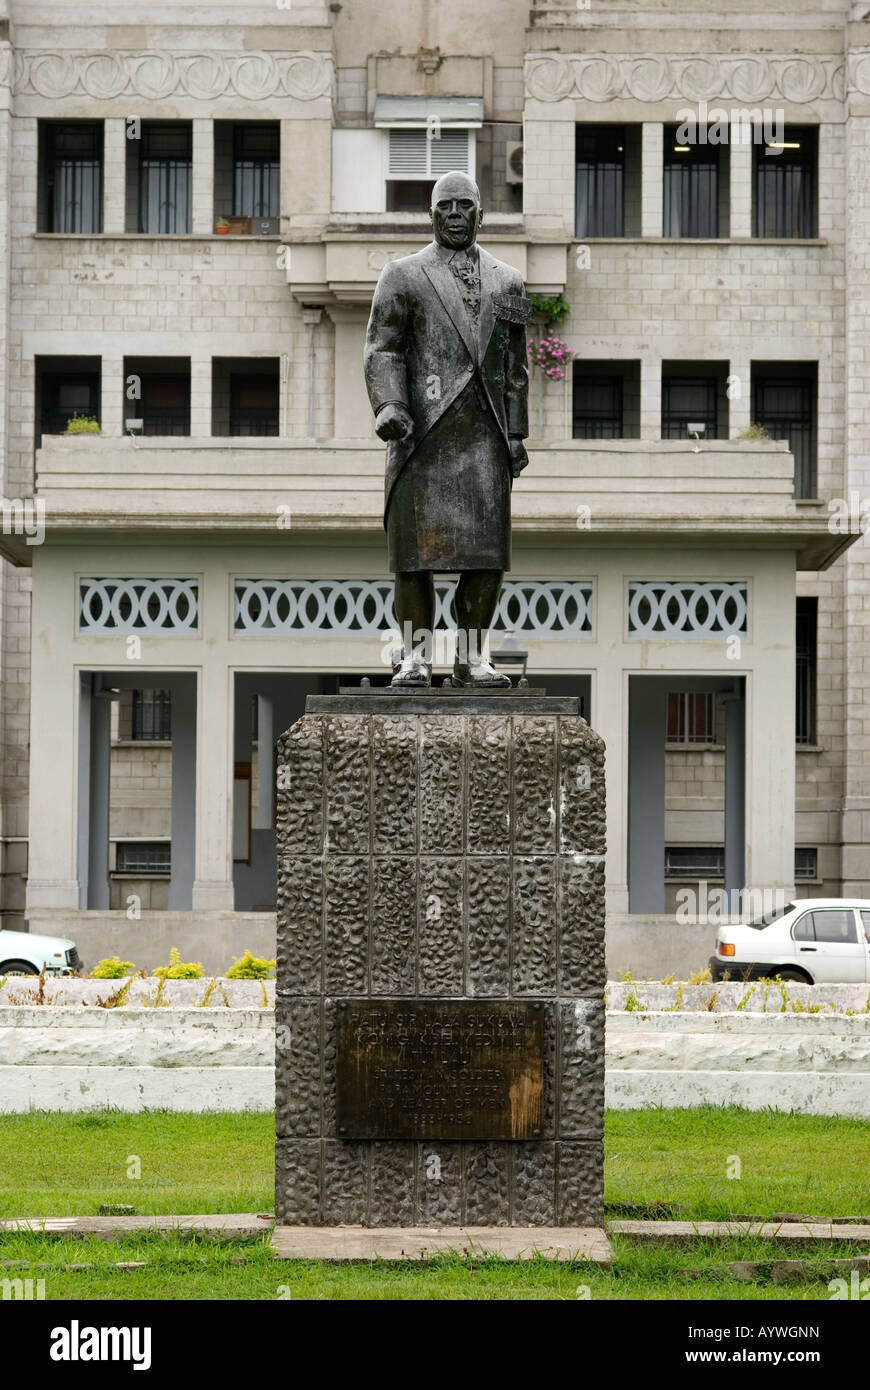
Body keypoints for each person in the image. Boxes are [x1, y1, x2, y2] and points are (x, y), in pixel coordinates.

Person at [364, 170, 530, 688]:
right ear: (430, 215)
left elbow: (516, 367)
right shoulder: (402, 274)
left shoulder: (510, 281)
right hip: (422, 434)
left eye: (465, 205)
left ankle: (472, 656)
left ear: (481, 213)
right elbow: (382, 346)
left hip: (485, 435)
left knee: (487, 553)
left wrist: (517, 434)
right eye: (445, 207)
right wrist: (389, 404)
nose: (455, 214)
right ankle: (414, 658)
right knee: (415, 556)